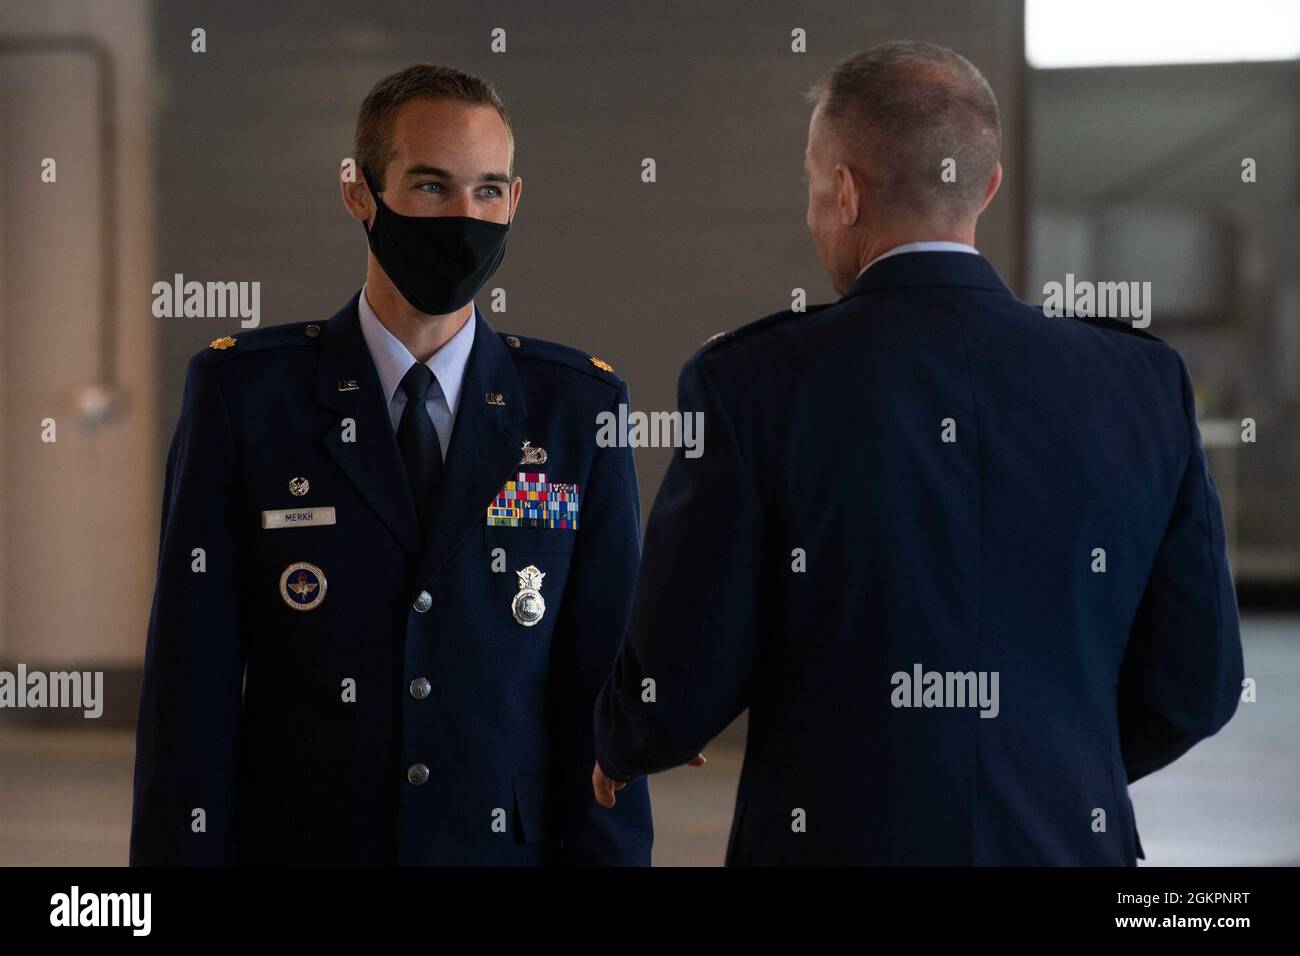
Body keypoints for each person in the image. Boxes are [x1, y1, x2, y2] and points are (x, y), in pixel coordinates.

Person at [592, 40, 1242, 865]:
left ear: (844, 190)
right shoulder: (1142, 384)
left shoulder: (753, 382)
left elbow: (681, 673)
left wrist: (624, 741)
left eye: (809, 186)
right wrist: (1057, 768)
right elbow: (1199, 684)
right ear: (988, 185)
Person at [131, 63, 651, 865]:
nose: (464, 216)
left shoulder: (578, 411)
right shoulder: (246, 398)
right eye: (432, 187)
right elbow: (189, 691)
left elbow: (599, 695)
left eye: (486, 191)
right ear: (359, 193)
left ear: (514, 202)